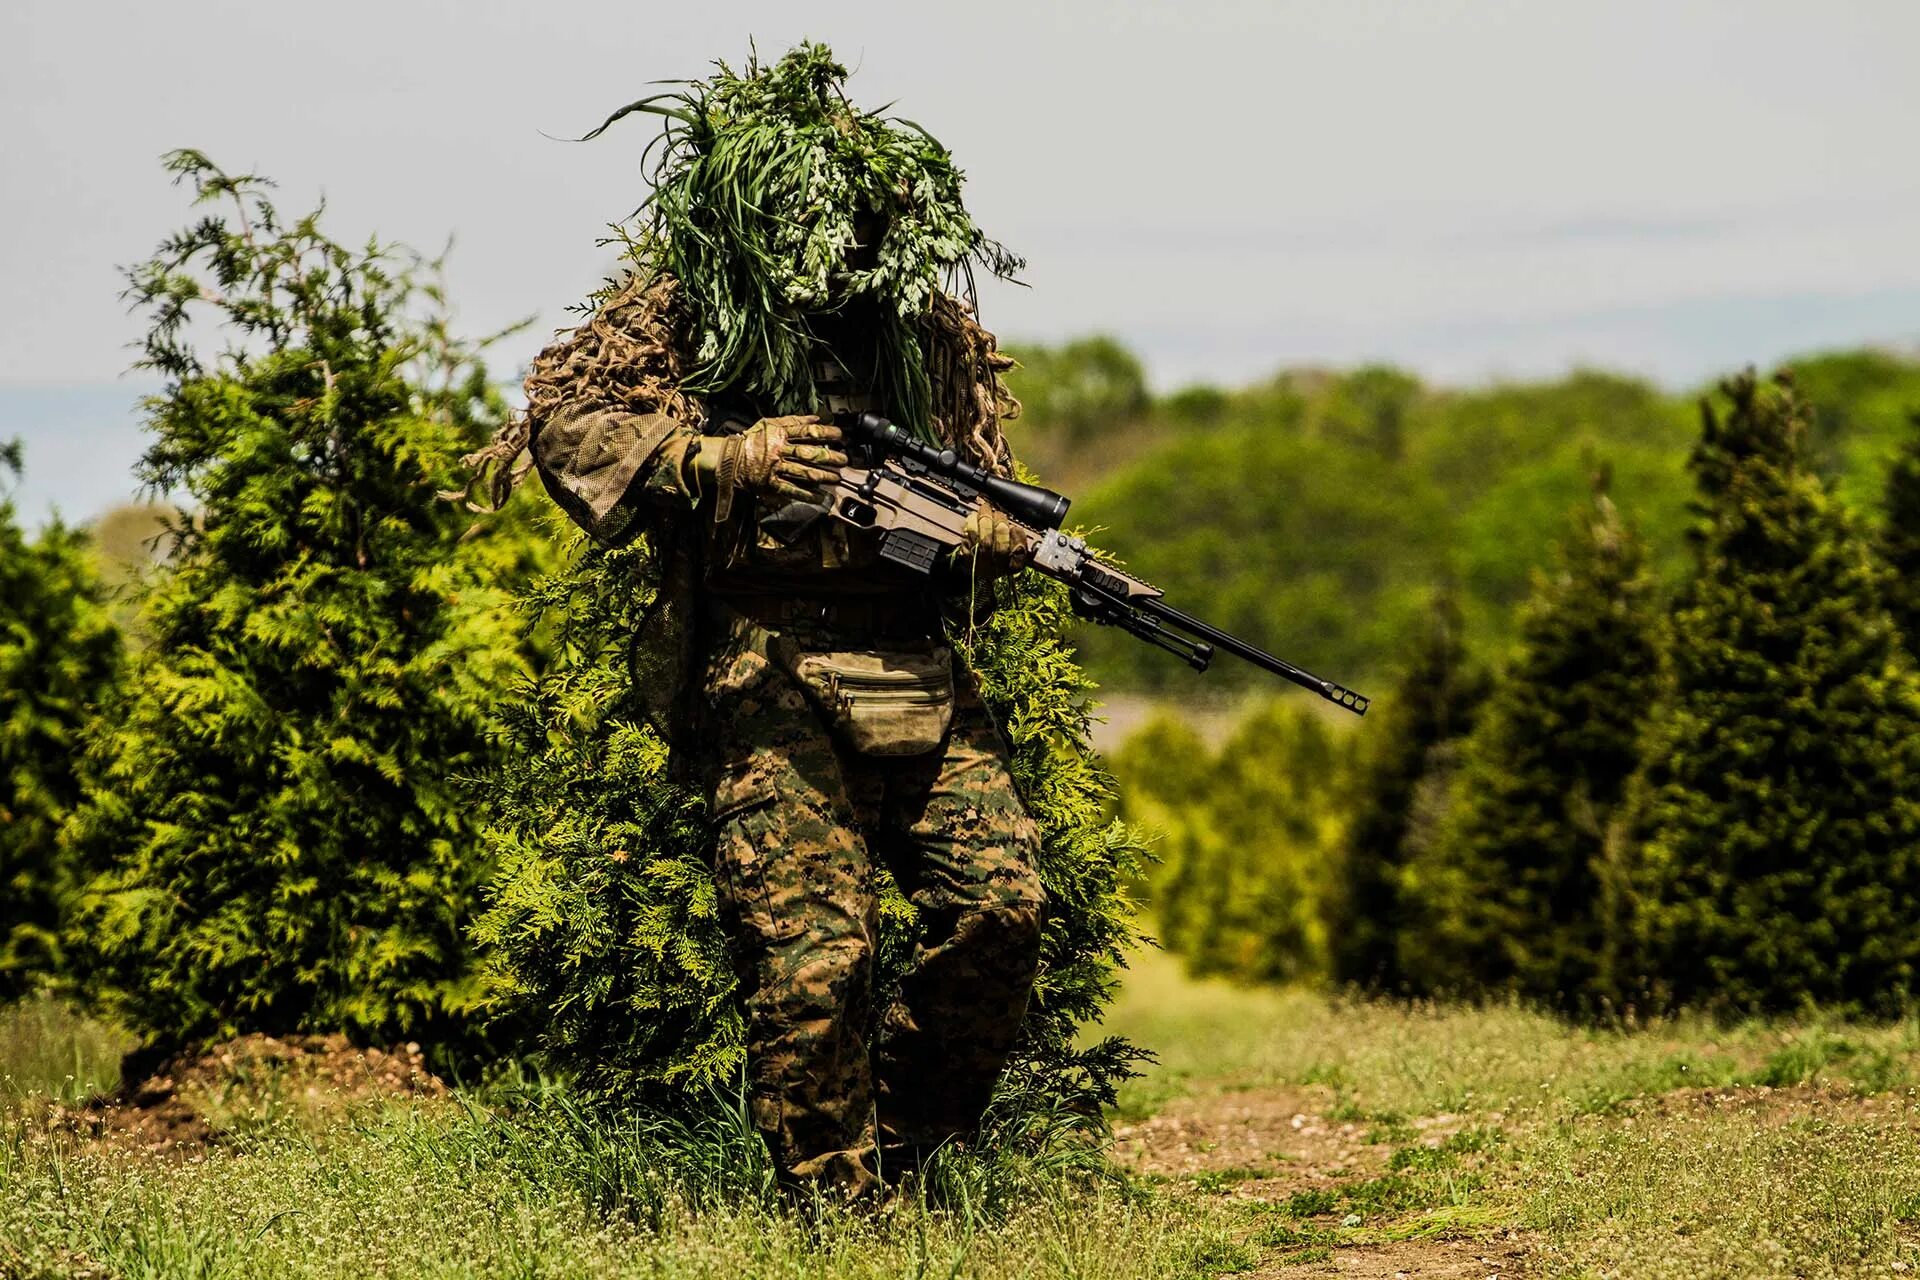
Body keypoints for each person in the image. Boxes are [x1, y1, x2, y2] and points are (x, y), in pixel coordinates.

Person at [473, 44, 1045, 1199]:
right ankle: (837, 1204)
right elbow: (568, 425)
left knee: (1002, 903)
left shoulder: (914, 336)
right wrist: (721, 455)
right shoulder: (687, 316)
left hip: (914, 665)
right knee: (814, 956)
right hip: (768, 668)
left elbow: (980, 478)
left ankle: (909, 1155)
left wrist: (989, 535)